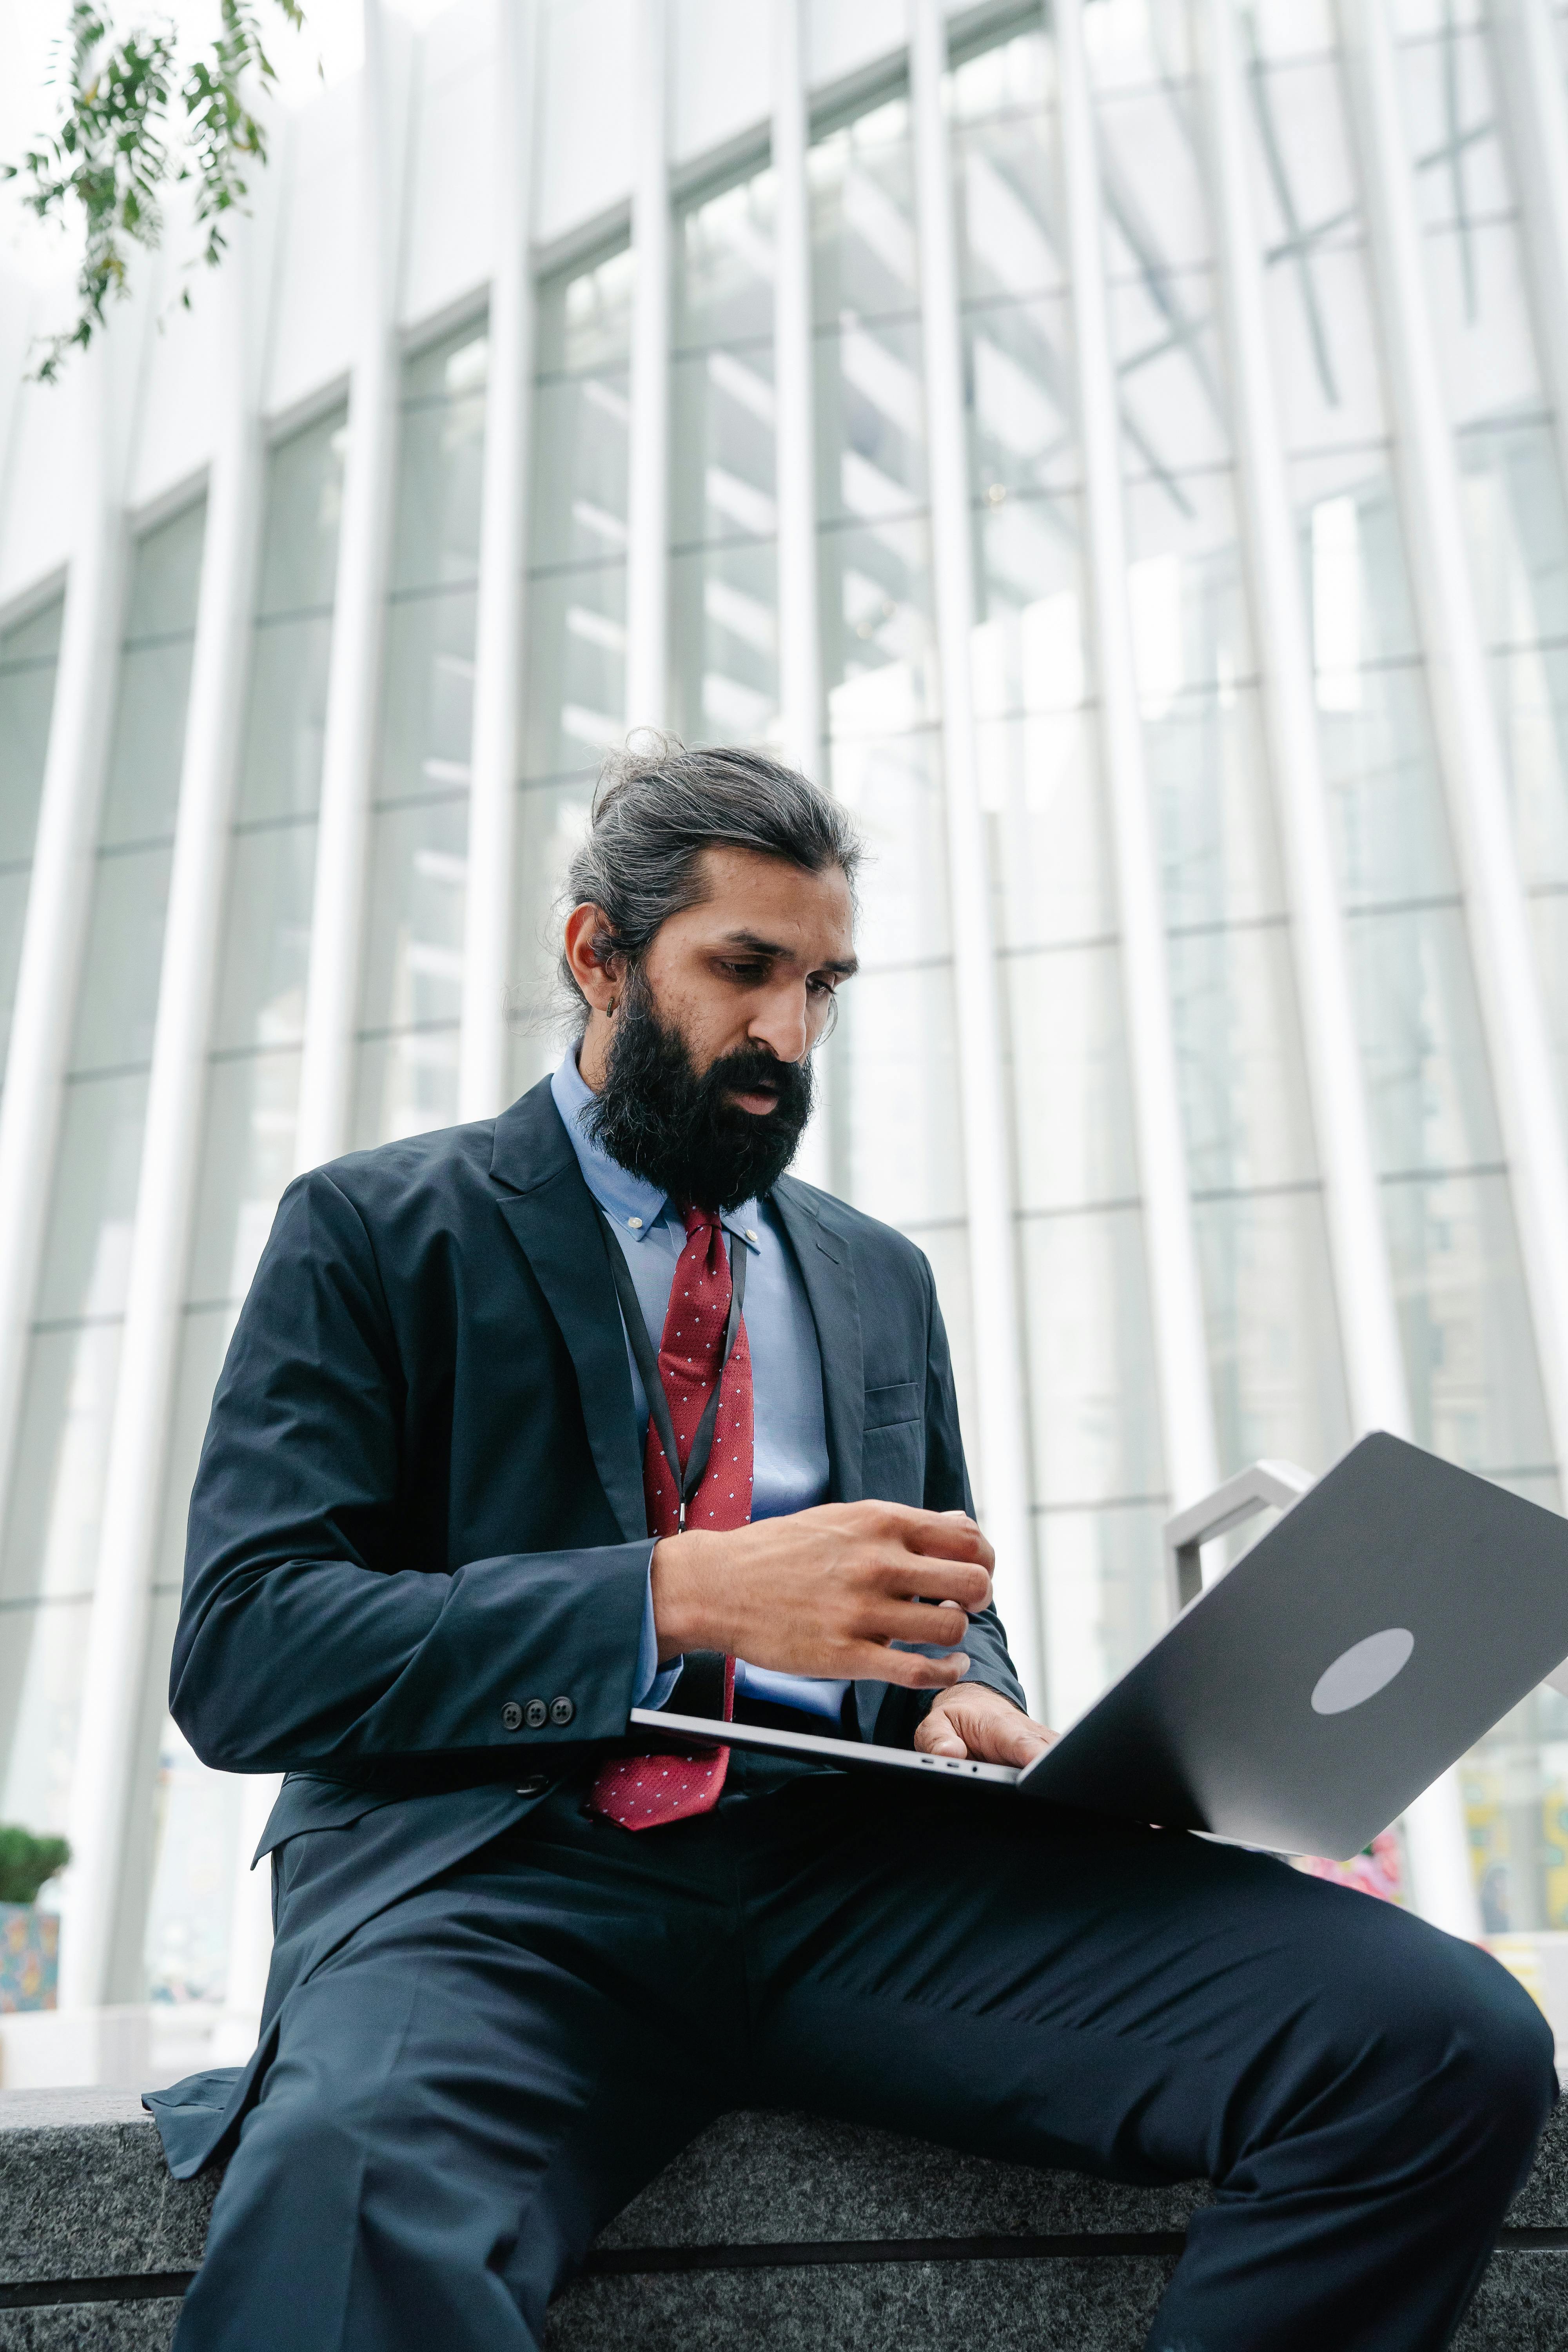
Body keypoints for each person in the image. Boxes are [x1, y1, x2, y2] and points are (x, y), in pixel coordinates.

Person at [149, 744, 1553, 2352]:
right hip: (497, 1890)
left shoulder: (876, 1277)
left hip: (856, 1875)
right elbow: (248, 1650)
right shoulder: (377, 1228)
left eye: (823, 984)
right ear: (595, 954)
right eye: (741, 970)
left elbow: (939, 1588)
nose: (787, 1037)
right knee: (339, 2212)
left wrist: (961, 1685)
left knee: (1443, 2041)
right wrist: (678, 1595)